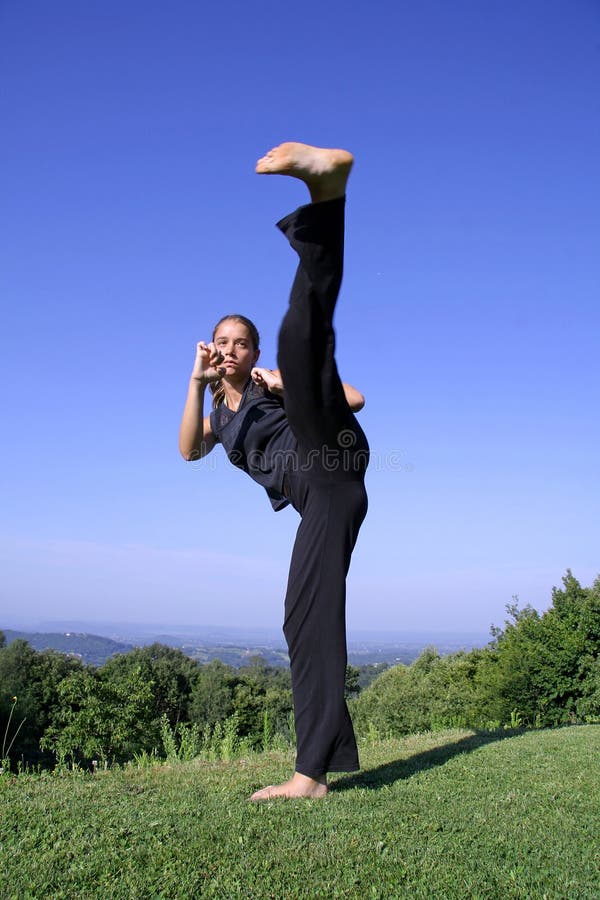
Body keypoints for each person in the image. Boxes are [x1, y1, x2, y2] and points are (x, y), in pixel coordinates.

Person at [178, 142, 369, 800]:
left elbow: (354, 398)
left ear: (250, 351)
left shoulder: (265, 379)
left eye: (239, 342)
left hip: (329, 451)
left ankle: (326, 195)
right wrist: (195, 383)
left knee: (302, 335)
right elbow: (186, 450)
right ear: (211, 353)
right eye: (220, 342)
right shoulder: (218, 419)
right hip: (322, 495)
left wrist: (281, 379)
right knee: (300, 620)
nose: (230, 349)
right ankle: (322, 763)